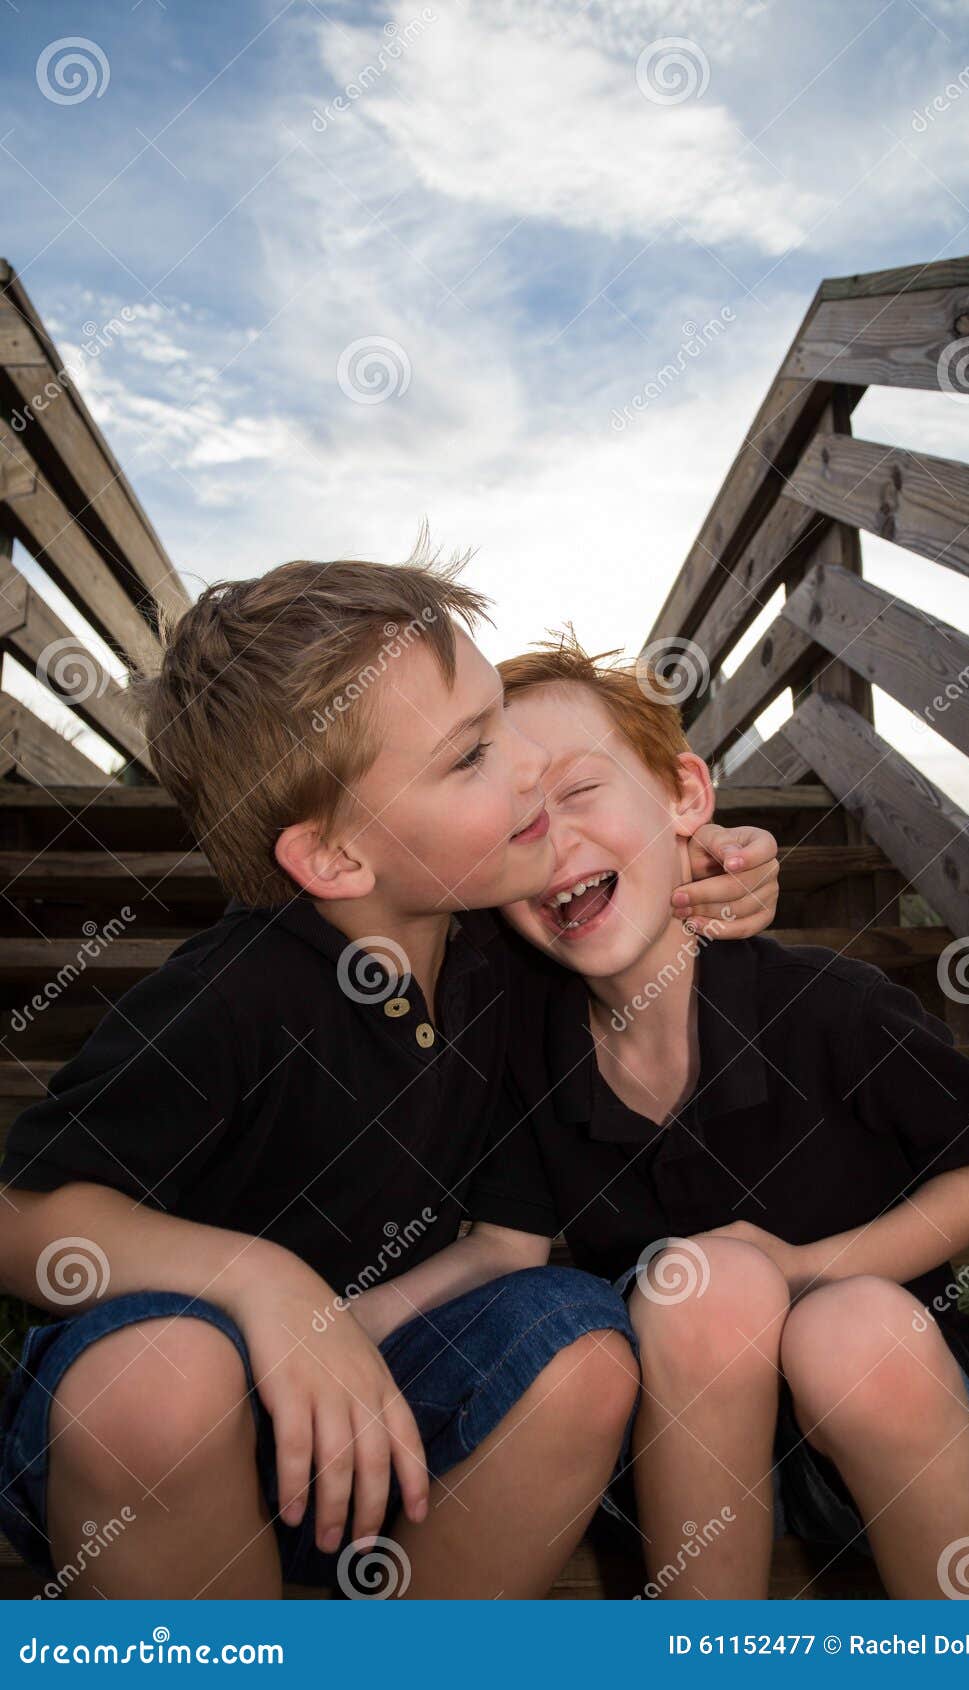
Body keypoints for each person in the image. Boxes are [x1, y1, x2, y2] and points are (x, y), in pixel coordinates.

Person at [0, 541, 781, 1599]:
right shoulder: (238, 992)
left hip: (393, 1419)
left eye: (499, 716)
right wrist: (268, 1286)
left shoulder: (509, 951)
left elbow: (633, 875)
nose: (526, 766)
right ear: (334, 860)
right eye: (469, 757)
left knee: (580, 1350)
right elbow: (21, 1222)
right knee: (162, 1386)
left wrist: (715, 858)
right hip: (167, 1439)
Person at [455, 634, 969, 1600]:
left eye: (577, 790)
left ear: (685, 796)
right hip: (663, 1450)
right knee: (706, 1284)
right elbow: (504, 1246)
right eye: (514, 825)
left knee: (846, 1323)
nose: (552, 840)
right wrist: (329, 1327)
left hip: (867, 1420)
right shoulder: (530, 1039)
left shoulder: (825, 1003)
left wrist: (806, 1269)